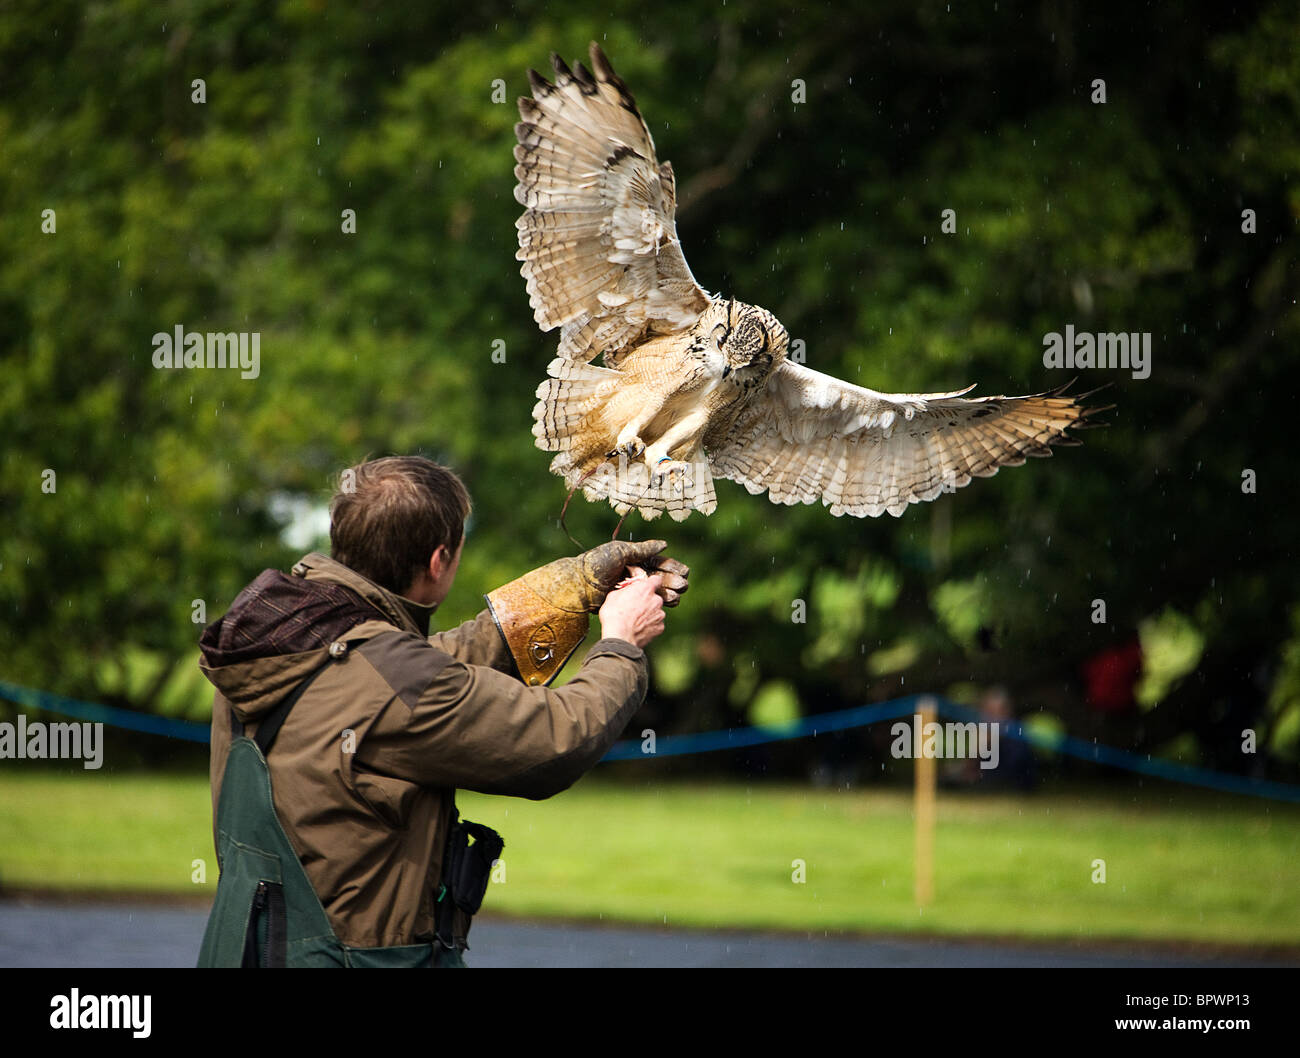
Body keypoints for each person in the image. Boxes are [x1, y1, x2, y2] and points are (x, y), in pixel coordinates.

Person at [195, 455, 688, 967]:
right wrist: (620, 642)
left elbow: (420, 673)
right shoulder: (392, 676)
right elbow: (555, 740)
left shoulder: (278, 638)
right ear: (438, 562)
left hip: (250, 951)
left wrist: (573, 588)